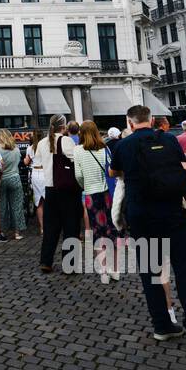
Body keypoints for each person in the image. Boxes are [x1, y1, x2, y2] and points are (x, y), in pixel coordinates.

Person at [110, 105, 186, 352]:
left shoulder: (123, 146)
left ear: (129, 123)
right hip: (174, 213)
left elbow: (114, 172)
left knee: (152, 272)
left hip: (141, 216)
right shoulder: (171, 141)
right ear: (151, 120)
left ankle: (162, 325)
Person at [72, 120, 118, 280]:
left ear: (81, 133)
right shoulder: (105, 148)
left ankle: (103, 268)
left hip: (91, 194)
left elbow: (78, 175)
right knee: (111, 228)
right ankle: (115, 267)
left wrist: (85, 186)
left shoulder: (77, 150)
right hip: (107, 193)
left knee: (97, 231)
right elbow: (112, 170)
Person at [37, 115, 81, 274]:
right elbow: (75, 159)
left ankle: (46, 261)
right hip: (67, 189)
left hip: (50, 189)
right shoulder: (66, 141)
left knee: (50, 228)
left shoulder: (42, 143)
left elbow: (39, 162)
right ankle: (69, 265)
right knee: (71, 226)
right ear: (64, 127)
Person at [0, 129, 25, 242]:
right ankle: (17, 232)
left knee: (2, 207)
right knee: (17, 206)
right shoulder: (16, 149)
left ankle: (2, 231)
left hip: (2, 180)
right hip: (15, 178)